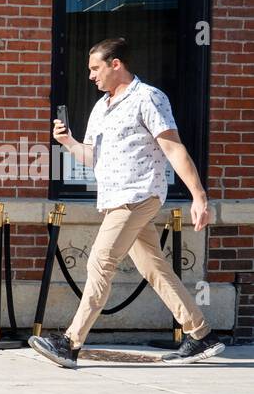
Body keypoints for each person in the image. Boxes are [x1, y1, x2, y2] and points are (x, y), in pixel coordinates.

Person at [30, 37, 224, 369]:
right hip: (114, 198)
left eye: (95, 68)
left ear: (115, 64)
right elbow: (92, 158)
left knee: (99, 262)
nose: (91, 76)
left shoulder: (148, 98)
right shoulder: (100, 107)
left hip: (137, 196)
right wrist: (67, 142)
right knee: (154, 268)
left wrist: (199, 196)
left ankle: (70, 343)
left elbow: (173, 148)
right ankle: (201, 334)